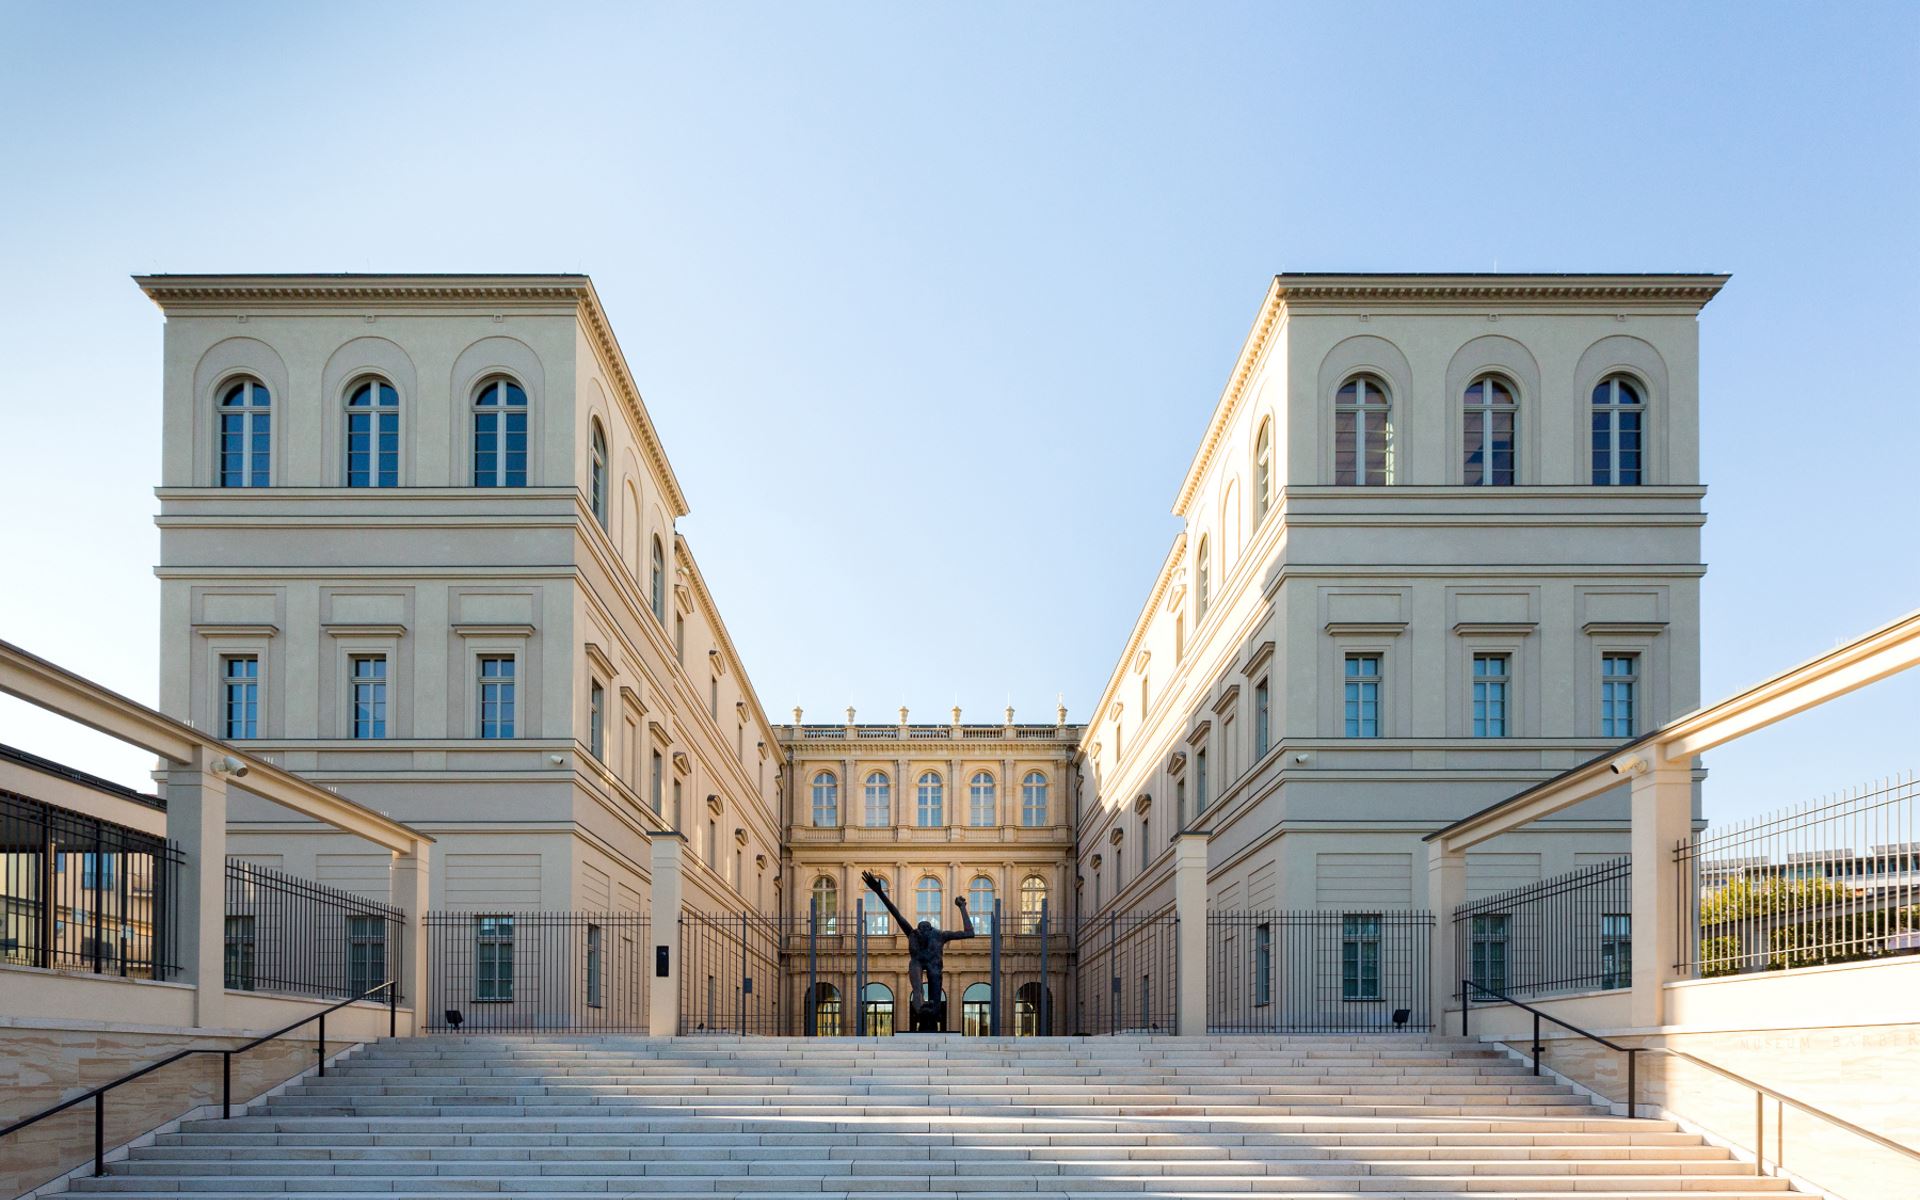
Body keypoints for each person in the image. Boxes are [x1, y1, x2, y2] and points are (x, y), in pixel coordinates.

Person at [861, 871, 975, 1030]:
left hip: (934, 966)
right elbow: (896, 914)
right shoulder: (913, 933)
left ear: (930, 930)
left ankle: (932, 1014)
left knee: (934, 985)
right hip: (917, 962)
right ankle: (922, 1010)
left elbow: (970, 933)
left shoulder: (940, 936)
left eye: (923, 931)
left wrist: (962, 907)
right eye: (919, 931)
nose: (920, 934)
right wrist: (879, 892)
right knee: (917, 989)